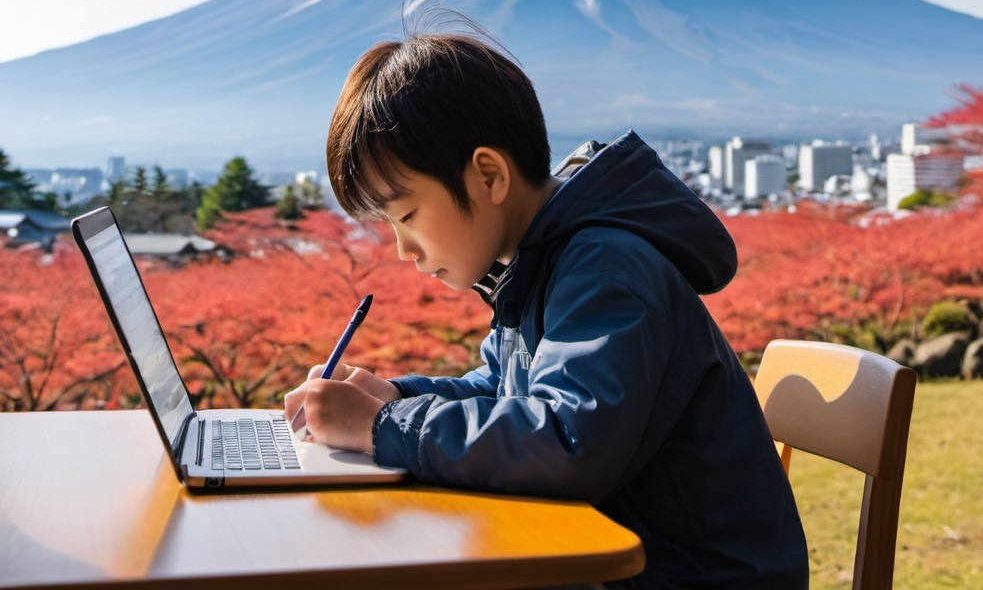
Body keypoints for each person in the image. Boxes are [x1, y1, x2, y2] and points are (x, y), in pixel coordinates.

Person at [284, 32, 808, 590]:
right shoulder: (545, 260)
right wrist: (396, 397)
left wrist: (383, 427)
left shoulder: (606, 268)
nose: (403, 251)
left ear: (488, 176)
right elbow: (506, 391)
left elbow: (568, 441)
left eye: (407, 215)